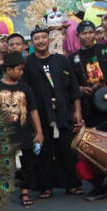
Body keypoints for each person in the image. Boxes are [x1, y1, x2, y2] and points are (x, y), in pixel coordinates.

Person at [22, 26, 82, 198]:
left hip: (63, 111)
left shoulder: (61, 60)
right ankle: (45, 187)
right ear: (32, 43)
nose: (40, 41)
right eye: (37, 39)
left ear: (49, 39)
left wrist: (77, 110)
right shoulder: (28, 64)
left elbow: (74, 87)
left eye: (43, 37)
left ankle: (72, 185)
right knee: (44, 152)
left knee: (68, 150)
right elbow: (24, 93)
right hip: (40, 114)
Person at [0, 52, 43, 208]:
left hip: (24, 132)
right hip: (3, 134)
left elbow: (33, 110)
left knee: (27, 163)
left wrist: (39, 131)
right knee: (1, 163)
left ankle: (25, 192)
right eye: (19, 69)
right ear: (8, 70)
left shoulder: (25, 88)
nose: (21, 73)